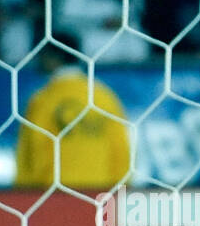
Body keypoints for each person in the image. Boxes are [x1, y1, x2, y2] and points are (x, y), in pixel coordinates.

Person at [14, 40, 131, 191]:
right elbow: (121, 147)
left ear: (52, 58)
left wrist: (24, 191)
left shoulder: (44, 99)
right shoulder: (104, 96)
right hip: (101, 190)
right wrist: (122, 187)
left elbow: (31, 151)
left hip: (55, 191)